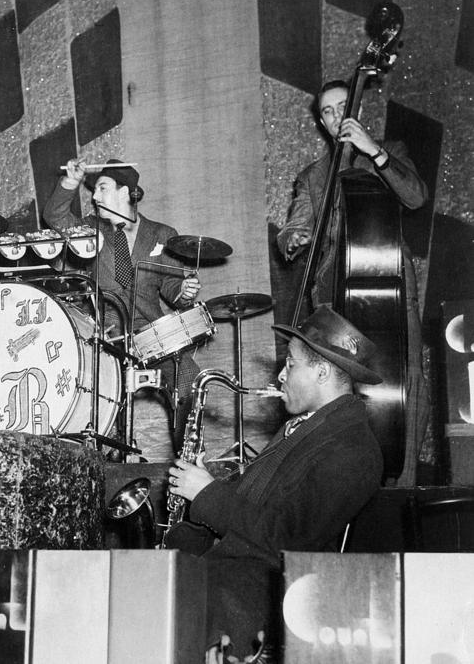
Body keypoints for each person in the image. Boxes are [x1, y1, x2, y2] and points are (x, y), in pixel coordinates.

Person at [165, 305, 384, 661]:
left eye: (291, 364)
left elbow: (289, 537)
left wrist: (207, 493)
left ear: (322, 372)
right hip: (238, 571)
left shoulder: (353, 449)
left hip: (269, 588)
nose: (281, 375)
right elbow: (258, 503)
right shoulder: (303, 426)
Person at [276, 78, 429, 485]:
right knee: (339, 395)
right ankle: (345, 488)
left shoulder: (390, 153)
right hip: (331, 298)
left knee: (405, 384)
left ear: (358, 108)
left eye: (342, 106)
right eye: (326, 111)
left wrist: (373, 151)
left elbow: (415, 197)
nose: (335, 116)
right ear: (322, 122)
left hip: (389, 287)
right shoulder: (312, 176)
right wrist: (293, 237)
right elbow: (292, 224)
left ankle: (402, 489)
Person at [43, 158, 202, 461]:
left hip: (152, 333)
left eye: (102, 188)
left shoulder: (162, 234)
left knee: (189, 379)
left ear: (127, 192)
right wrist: (70, 182)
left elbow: (173, 291)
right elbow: (55, 215)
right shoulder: (90, 229)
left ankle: (189, 458)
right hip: (108, 335)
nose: (95, 197)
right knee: (103, 399)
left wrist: (183, 292)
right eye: (93, 191)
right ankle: (114, 461)